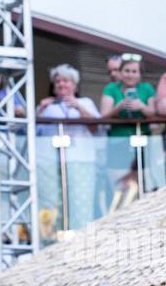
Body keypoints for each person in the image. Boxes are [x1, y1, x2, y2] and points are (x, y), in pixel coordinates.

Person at [36, 64, 103, 231]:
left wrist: (78, 107)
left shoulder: (85, 102)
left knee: (81, 201)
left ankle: (80, 238)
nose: (61, 84)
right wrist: (41, 108)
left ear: (74, 84)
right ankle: (50, 239)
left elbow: (96, 128)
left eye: (65, 80)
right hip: (50, 162)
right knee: (50, 201)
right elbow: (32, 133)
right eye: (57, 81)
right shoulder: (47, 107)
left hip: (81, 160)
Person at [100, 52, 155, 208]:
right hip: (118, 143)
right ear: (121, 72)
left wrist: (141, 107)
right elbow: (103, 116)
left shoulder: (147, 88)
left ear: (140, 74)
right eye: (127, 71)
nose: (130, 75)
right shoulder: (111, 89)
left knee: (143, 184)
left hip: (143, 143)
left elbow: (154, 113)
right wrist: (119, 107)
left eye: (134, 71)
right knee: (119, 186)